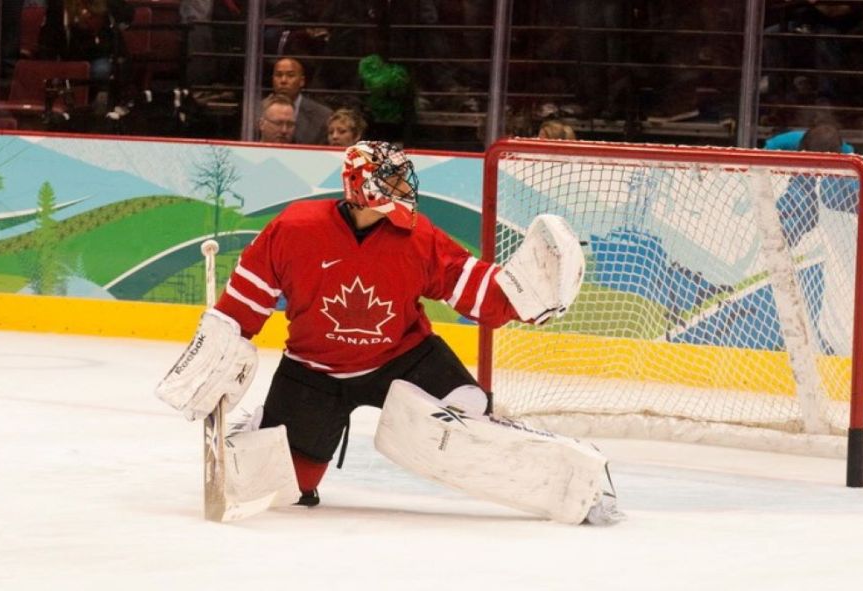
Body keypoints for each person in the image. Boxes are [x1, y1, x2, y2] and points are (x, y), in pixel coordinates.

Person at [155, 141, 618, 524]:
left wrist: (523, 297)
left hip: (404, 356)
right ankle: (264, 426)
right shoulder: (294, 229)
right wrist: (217, 348)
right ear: (361, 184)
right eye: (394, 179)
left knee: (469, 410)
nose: (405, 189)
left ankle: (566, 478)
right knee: (291, 486)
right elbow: (242, 308)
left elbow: (473, 288)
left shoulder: (417, 237)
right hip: (313, 370)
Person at [271, 57, 333, 145]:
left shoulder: (322, 116)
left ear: (302, 81)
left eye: (290, 75)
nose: (283, 80)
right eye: (279, 75)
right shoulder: (258, 111)